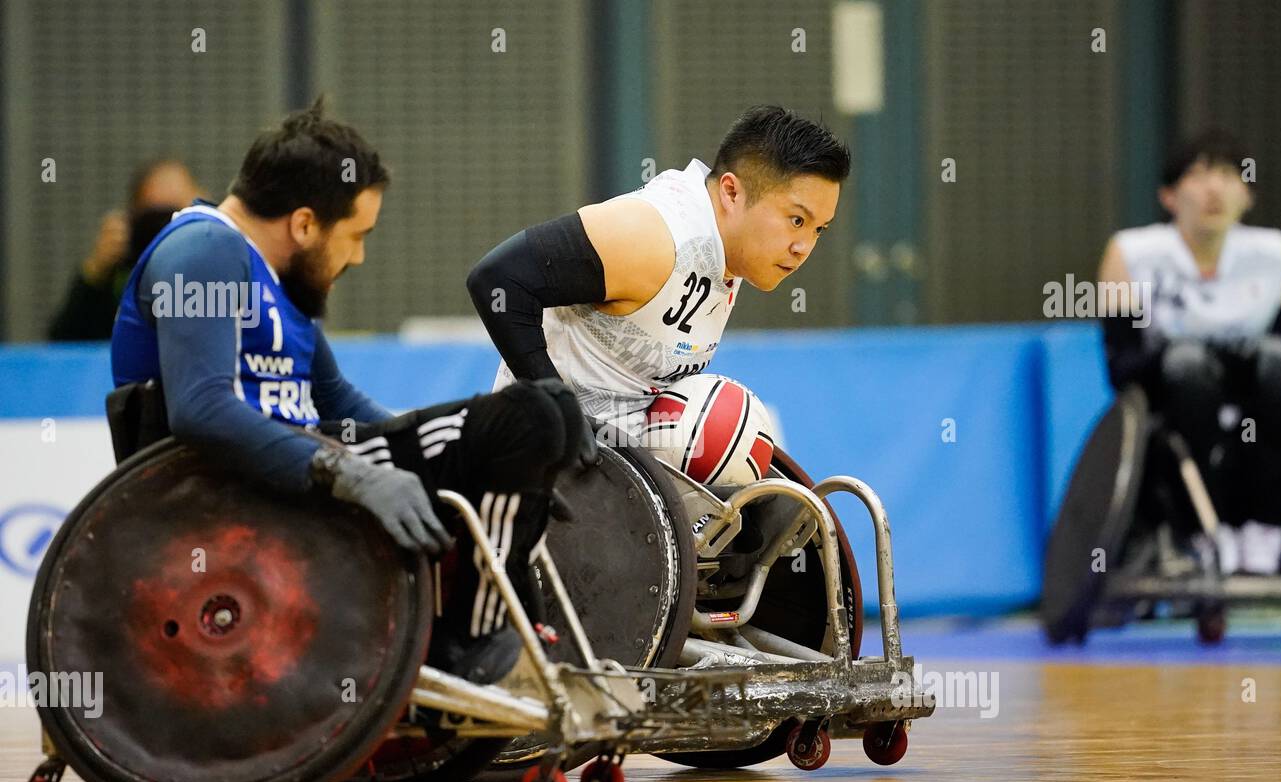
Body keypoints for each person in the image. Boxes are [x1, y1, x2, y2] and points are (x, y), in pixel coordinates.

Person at [110, 99, 587, 683]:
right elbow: (201, 408)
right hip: (223, 494)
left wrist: (500, 464)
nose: (358, 255)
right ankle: (462, 649)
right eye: (356, 235)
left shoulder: (273, 274)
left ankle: (476, 633)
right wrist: (350, 473)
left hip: (297, 470)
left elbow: (338, 401)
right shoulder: (202, 252)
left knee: (543, 419)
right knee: (530, 416)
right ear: (305, 223)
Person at [466, 104, 851, 441]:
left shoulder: (727, 245)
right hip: (541, 458)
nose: (804, 247)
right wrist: (556, 406)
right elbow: (499, 278)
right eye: (796, 220)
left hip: (629, 461)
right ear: (732, 193)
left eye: (819, 229)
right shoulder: (653, 235)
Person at [1098, 130, 1281, 574]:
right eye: (1199, 175)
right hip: (1175, 403)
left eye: (1229, 175)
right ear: (1168, 196)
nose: (1215, 189)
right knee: (1189, 368)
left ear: (1247, 195)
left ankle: (1265, 529)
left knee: (1279, 365)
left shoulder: (1276, 254)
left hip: (1251, 408)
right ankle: (1201, 534)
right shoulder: (1130, 253)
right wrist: (1187, 354)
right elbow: (1121, 369)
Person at [49, 158, 201, 341]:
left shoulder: (220, 262)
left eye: (176, 214)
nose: (164, 227)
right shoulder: (119, 273)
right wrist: (95, 272)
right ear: (133, 216)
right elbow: (64, 347)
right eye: (154, 217)